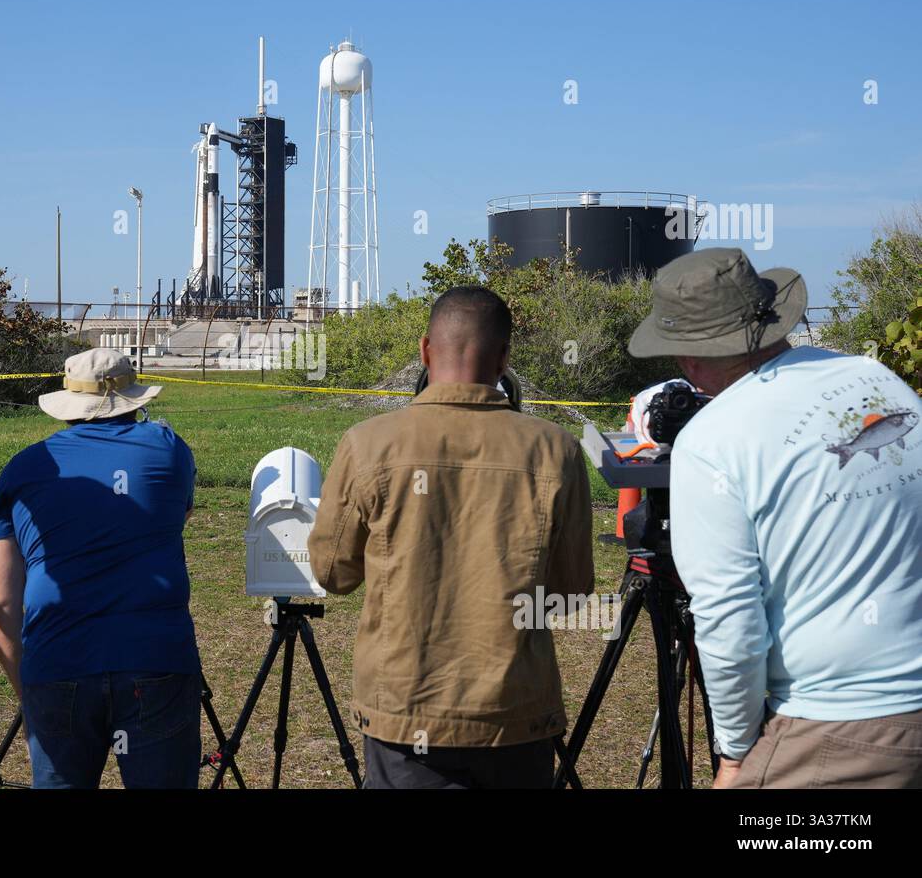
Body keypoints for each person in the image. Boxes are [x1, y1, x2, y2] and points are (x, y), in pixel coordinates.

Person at [628, 247, 922, 788]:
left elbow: (729, 618)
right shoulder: (877, 378)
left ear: (688, 359)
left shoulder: (713, 440)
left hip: (839, 726)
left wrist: (736, 753)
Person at [308, 286, 594, 788]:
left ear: (424, 350)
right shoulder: (557, 450)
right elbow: (570, 592)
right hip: (513, 713)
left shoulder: (368, 444)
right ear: (504, 358)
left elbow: (334, 574)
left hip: (404, 709)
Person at [0, 347, 202, 789]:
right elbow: (175, 515)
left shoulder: (23, 469)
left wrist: (31, 690)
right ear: (134, 399)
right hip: (155, 658)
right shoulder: (169, 450)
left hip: (57, 662)